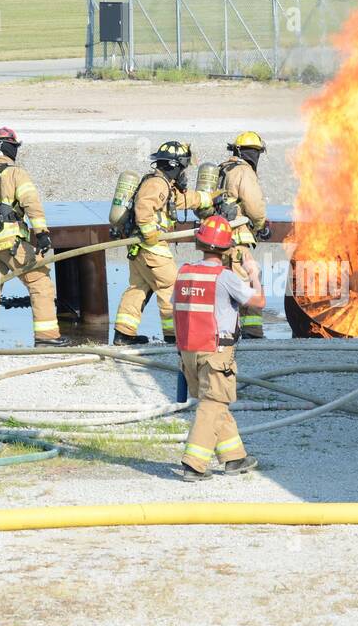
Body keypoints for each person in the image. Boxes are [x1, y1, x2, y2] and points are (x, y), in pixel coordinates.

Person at [172, 214, 265, 481]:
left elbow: (173, 307)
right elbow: (258, 300)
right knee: (213, 404)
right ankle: (194, 464)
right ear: (226, 249)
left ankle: (234, 458)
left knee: (216, 403)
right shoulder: (224, 277)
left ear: (200, 244)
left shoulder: (185, 272)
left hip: (188, 353)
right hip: (216, 352)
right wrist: (253, 274)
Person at [0, 127, 65, 350]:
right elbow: (32, 204)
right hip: (11, 242)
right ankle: (47, 338)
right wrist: (42, 234)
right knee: (40, 283)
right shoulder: (16, 173)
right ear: (12, 148)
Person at [112, 141, 217, 346]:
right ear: (173, 165)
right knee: (171, 286)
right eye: (182, 167)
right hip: (152, 247)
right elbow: (144, 208)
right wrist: (151, 234)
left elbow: (182, 200)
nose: (183, 173)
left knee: (138, 288)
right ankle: (174, 335)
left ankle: (123, 334)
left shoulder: (163, 184)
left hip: (140, 247)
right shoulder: (157, 184)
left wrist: (209, 198)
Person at [216, 131, 271, 339]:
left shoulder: (222, 169)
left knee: (223, 286)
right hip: (237, 239)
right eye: (255, 152)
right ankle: (252, 332)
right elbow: (254, 205)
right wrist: (260, 225)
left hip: (217, 240)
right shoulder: (244, 171)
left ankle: (225, 331)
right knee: (249, 282)